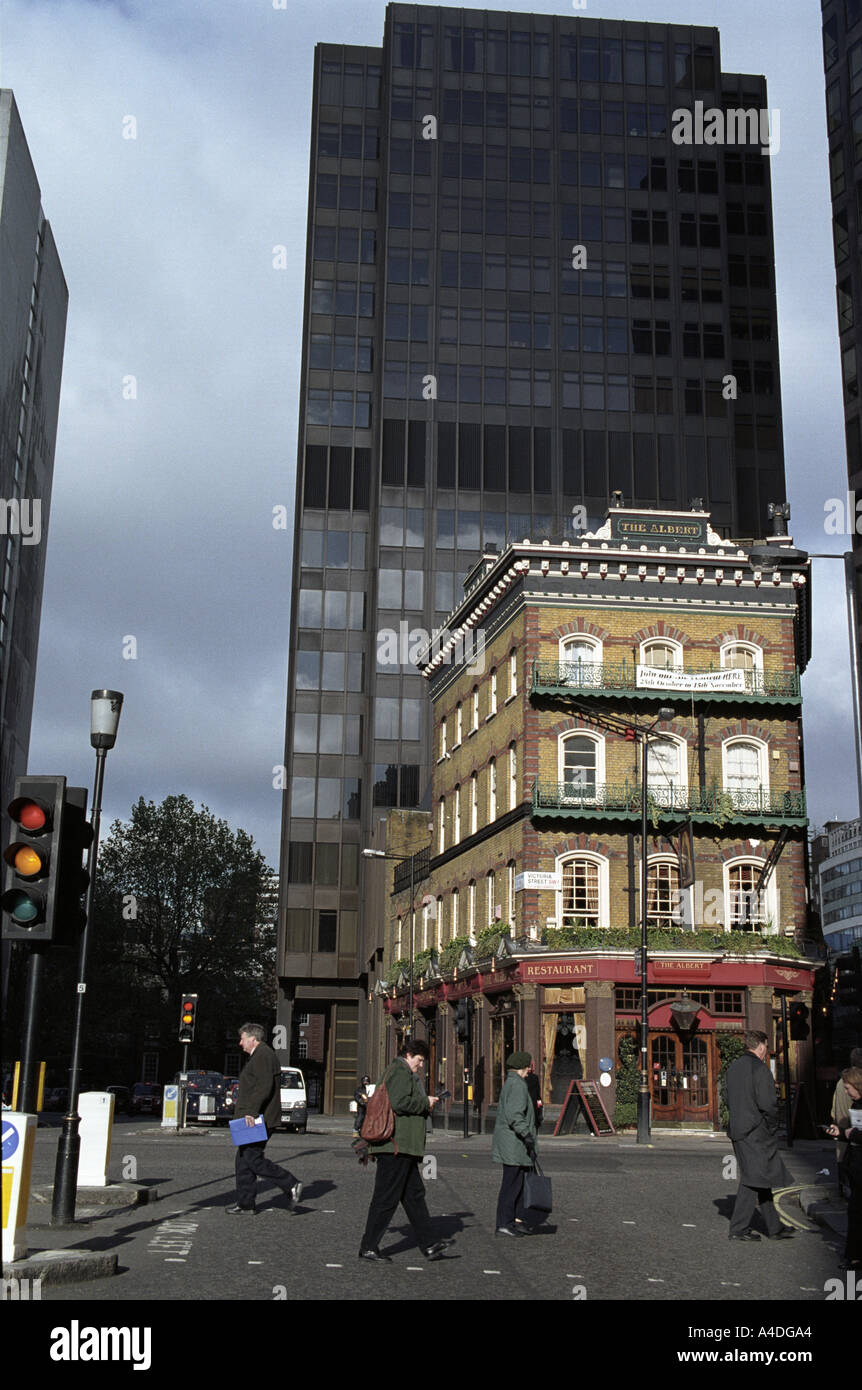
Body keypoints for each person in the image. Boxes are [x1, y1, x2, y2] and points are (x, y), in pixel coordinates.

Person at [358, 1039, 447, 1262]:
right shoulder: (399, 1071)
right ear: (409, 1055)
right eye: (419, 1060)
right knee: (386, 1198)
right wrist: (425, 1102)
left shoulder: (400, 1071)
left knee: (414, 1196)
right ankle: (369, 1246)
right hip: (395, 1146)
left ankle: (429, 1244)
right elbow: (399, 1103)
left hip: (401, 1147)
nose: (420, 1065)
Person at [226, 1023, 303, 1215]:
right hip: (254, 1116)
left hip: (258, 1118)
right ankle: (245, 1203)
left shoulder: (263, 1056)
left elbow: (263, 1086)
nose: (240, 1043)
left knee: (252, 1158)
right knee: (243, 1160)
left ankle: (291, 1183)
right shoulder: (260, 1056)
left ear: (253, 1039)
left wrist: (251, 1112)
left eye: (243, 1038)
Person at [725, 1029, 793, 1241]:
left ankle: (774, 1227)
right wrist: (771, 1126)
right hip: (756, 1132)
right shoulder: (760, 1070)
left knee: (761, 1175)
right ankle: (738, 1229)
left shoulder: (733, 1067)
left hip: (738, 1129)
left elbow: (727, 1098)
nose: (766, 1053)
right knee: (753, 1177)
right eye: (766, 1048)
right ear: (761, 1046)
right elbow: (769, 1105)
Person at [493, 1051, 538, 1238]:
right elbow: (514, 1114)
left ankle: (516, 1219)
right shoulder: (518, 1085)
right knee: (511, 1185)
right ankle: (504, 1222)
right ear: (522, 1067)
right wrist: (526, 1134)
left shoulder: (512, 1082)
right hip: (514, 1144)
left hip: (514, 1144)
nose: (529, 1070)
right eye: (528, 1066)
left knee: (519, 1183)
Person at [826, 1065, 862, 1270]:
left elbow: (857, 1133)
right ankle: (854, 1256)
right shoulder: (857, 1104)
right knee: (855, 1212)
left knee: (857, 1211)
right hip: (856, 1166)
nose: (846, 1092)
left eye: (848, 1088)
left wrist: (851, 1135)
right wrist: (840, 1132)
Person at [525, 1060, 543, 1131]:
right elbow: (538, 1095)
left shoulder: (521, 1078)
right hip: (534, 1103)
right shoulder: (535, 1077)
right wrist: (540, 1107)